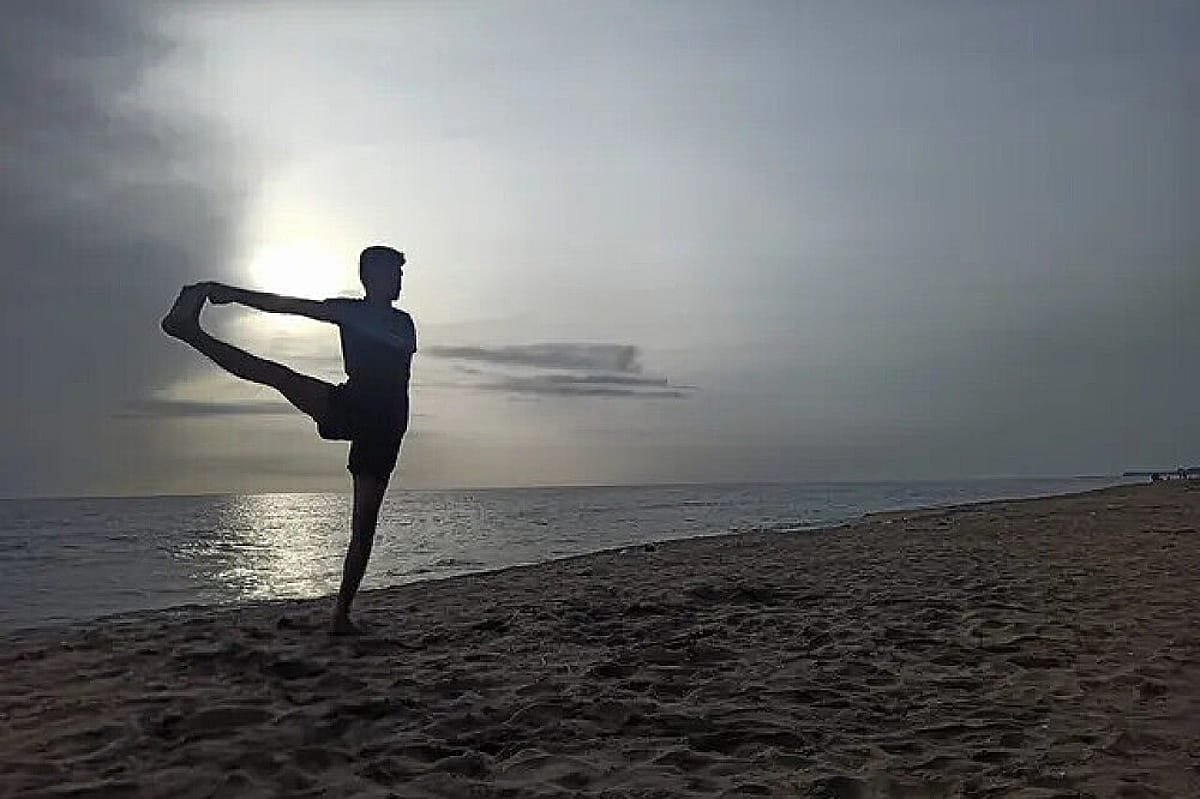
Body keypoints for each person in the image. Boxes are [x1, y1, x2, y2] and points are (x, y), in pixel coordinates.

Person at [161, 245, 416, 635]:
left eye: (401, 274)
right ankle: (189, 332)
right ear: (373, 276)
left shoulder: (402, 322)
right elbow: (288, 306)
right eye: (394, 273)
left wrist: (349, 317)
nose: (400, 280)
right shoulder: (349, 312)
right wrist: (230, 292)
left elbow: (395, 343)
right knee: (275, 374)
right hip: (352, 405)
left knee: (363, 528)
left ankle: (341, 616)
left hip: (383, 428)